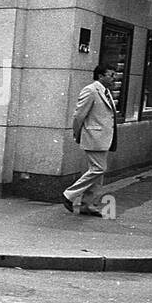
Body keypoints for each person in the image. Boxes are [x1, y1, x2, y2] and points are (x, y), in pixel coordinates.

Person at [62, 65, 118, 217]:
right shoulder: (91, 90)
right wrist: (78, 134)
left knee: (98, 173)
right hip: (93, 137)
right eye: (111, 75)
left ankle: (88, 205)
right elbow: (78, 116)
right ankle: (69, 194)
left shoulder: (106, 92)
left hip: (103, 138)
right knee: (99, 169)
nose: (114, 78)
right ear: (100, 76)